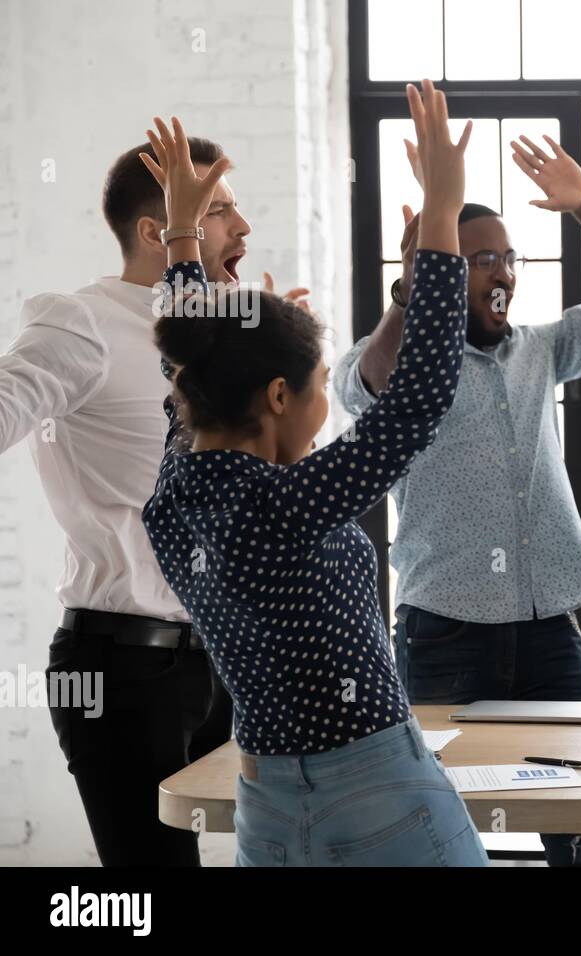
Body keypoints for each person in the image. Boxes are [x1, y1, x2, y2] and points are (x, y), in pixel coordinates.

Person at [141, 81, 487, 866]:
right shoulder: (288, 501)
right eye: (320, 384)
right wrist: (441, 215)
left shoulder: (173, 497)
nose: (327, 401)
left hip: (263, 803)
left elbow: (186, 369)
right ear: (274, 396)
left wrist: (185, 237)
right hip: (375, 794)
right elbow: (419, 398)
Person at [335, 125, 581, 867]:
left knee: (580, 825)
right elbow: (366, 379)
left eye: (508, 256)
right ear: (441, 268)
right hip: (445, 631)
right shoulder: (402, 364)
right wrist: (413, 279)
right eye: (479, 257)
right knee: (433, 830)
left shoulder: (542, 349)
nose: (501, 271)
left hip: (551, 625)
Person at [0, 130, 281, 864]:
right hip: (122, 669)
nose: (243, 227)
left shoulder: (220, 339)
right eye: (219, 209)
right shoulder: (82, 321)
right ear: (161, 231)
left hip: (222, 659)